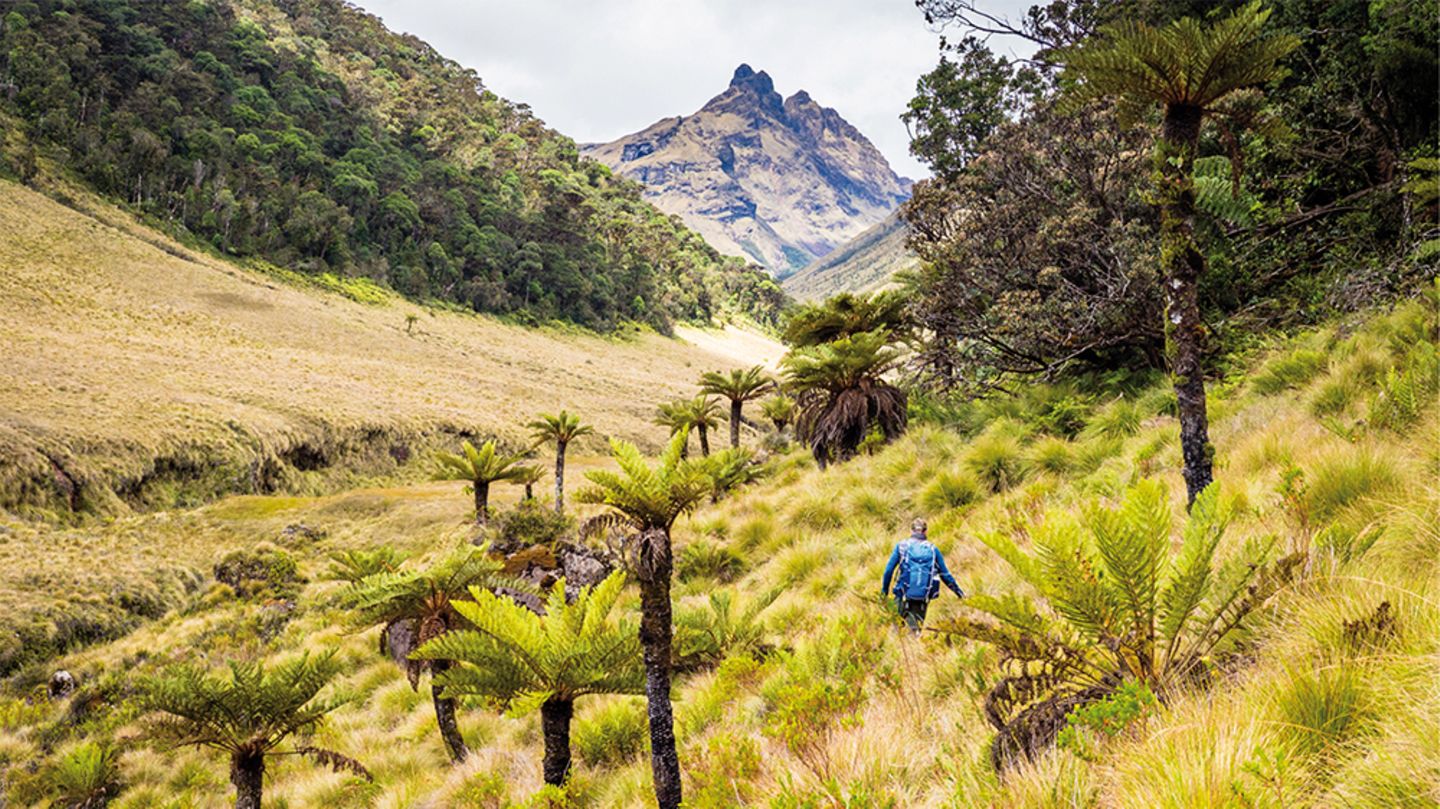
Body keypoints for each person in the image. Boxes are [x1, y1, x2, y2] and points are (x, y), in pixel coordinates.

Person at [881, 518, 964, 632]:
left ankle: (896, 648)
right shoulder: (933, 549)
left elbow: (888, 571)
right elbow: (945, 575)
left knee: (896, 631)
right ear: (925, 531)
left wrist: (884, 592)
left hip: (902, 594)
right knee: (914, 632)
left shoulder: (901, 546)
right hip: (921, 597)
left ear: (911, 530)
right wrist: (959, 593)